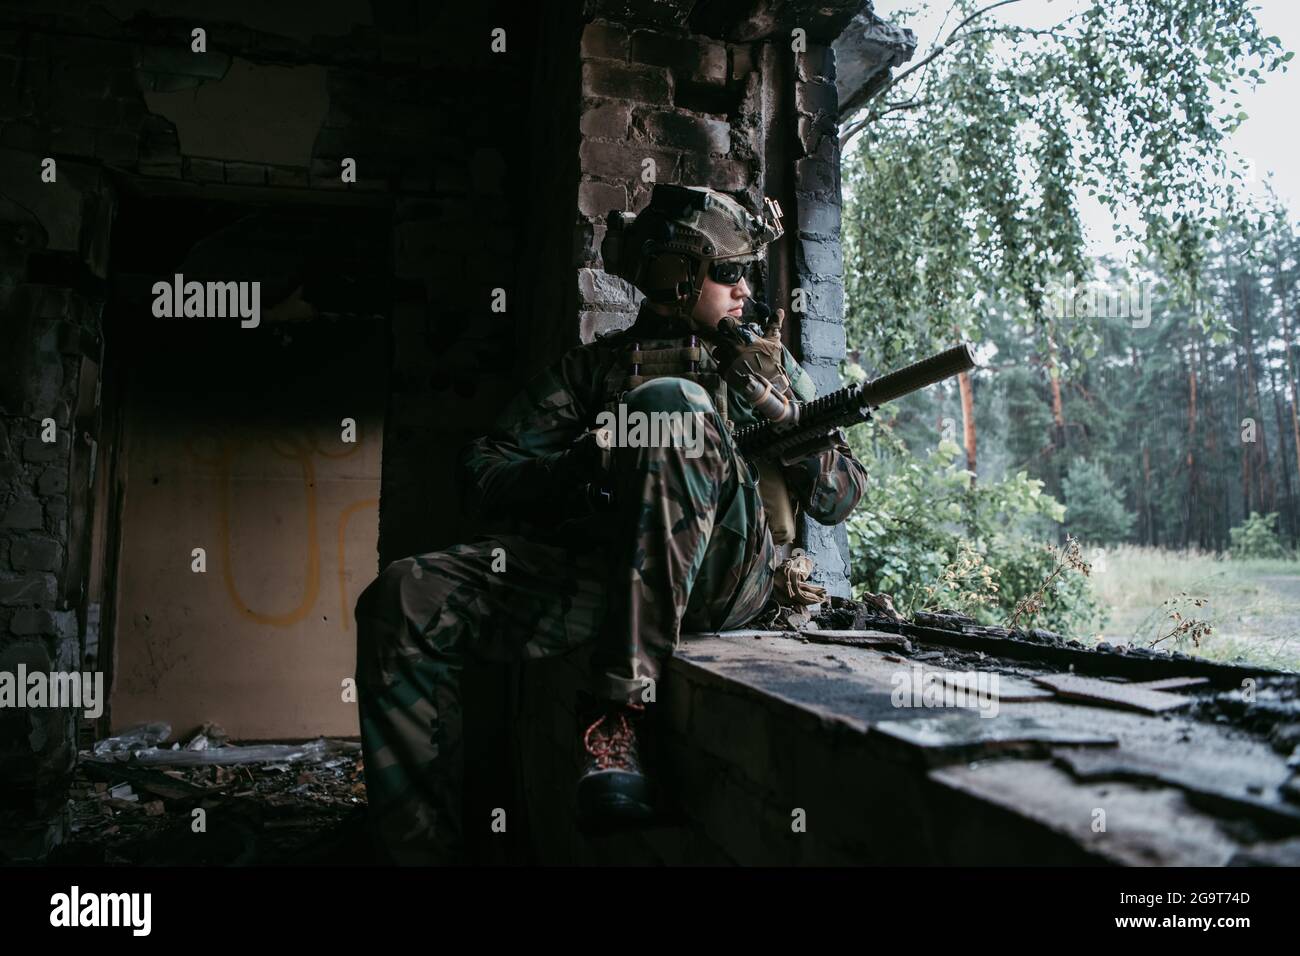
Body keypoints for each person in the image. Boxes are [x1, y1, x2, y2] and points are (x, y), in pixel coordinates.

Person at [353, 184, 868, 864]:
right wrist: (585, 459)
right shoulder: (594, 369)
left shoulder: (766, 366)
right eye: (730, 272)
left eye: (749, 272)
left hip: (733, 582)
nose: (745, 290)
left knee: (670, 403)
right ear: (677, 275)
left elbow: (840, 499)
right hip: (614, 576)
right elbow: (484, 473)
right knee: (402, 597)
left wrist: (773, 407)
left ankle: (618, 716)